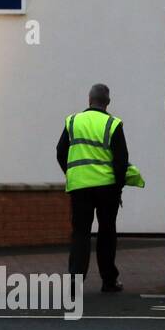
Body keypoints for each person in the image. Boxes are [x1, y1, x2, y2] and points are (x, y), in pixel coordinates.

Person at [55, 83, 128, 293]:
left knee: (80, 233)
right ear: (108, 102)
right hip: (107, 188)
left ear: (89, 99)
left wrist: (72, 174)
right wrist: (118, 188)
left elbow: (60, 151)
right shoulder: (113, 124)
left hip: (80, 189)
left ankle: (74, 283)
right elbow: (121, 160)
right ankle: (109, 280)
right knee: (106, 232)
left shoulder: (73, 121)